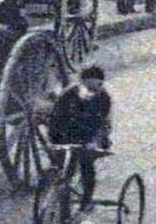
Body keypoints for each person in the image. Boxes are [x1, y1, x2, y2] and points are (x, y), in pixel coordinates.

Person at [47, 65, 112, 211]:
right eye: (89, 88)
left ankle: (86, 200)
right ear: (81, 84)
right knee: (64, 170)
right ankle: (63, 206)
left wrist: (95, 142)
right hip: (66, 134)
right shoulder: (68, 94)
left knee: (86, 166)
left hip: (88, 137)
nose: (92, 92)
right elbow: (55, 118)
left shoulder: (104, 98)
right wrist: (54, 141)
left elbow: (104, 124)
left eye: (97, 88)